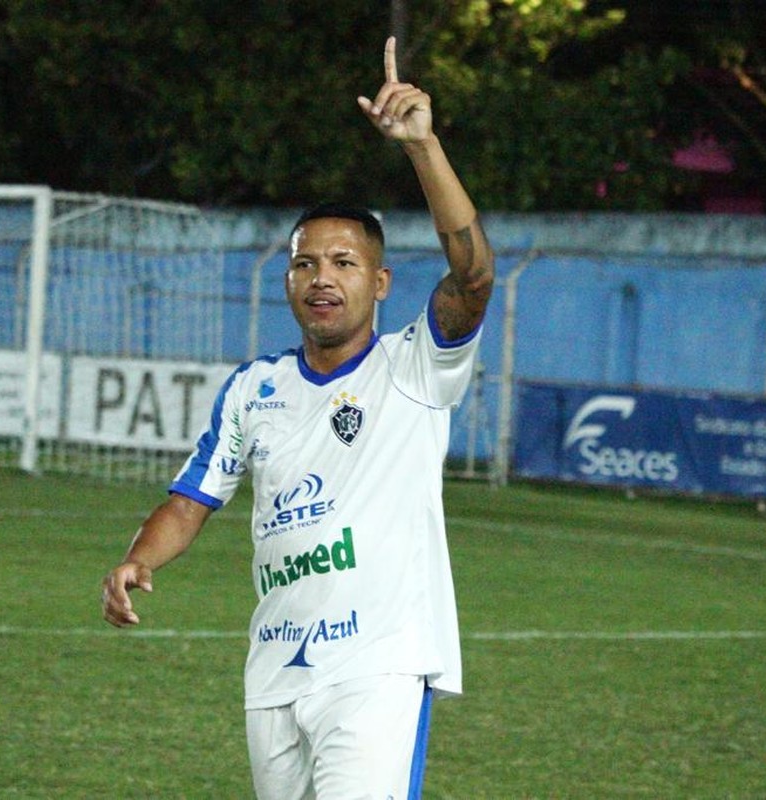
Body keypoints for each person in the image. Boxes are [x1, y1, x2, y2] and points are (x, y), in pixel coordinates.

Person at [101, 36, 494, 799]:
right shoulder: (255, 388)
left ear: (380, 282)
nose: (323, 278)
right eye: (307, 263)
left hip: (378, 669)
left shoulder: (413, 367)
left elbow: (473, 275)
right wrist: (139, 559)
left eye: (345, 264)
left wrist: (423, 146)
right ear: (286, 280)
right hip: (276, 669)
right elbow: (191, 501)